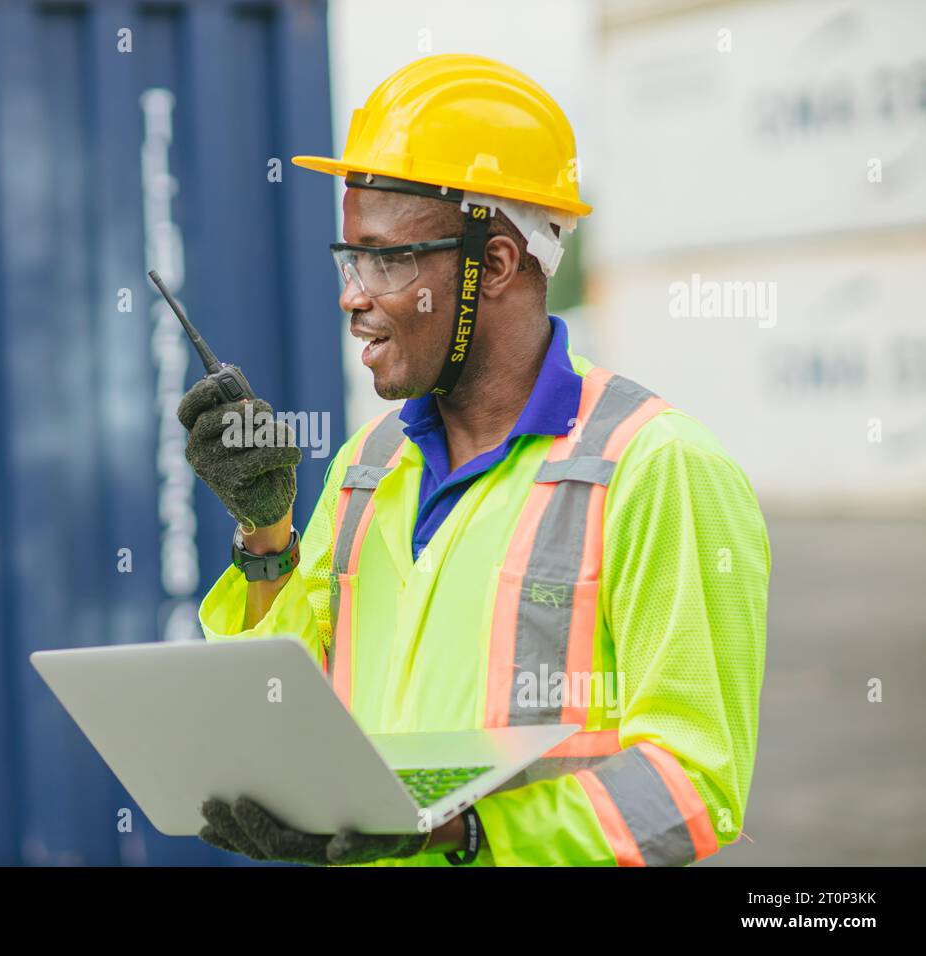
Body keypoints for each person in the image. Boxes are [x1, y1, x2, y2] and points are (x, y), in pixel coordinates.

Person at [176, 54, 769, 867]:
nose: (353, 294)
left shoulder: (656, 466)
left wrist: (467, 833)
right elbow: (289, 705)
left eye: (386, 260)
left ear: (493, 264)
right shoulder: (368, 465)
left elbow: (693, 785)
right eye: (349, 258)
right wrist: (265, 529)